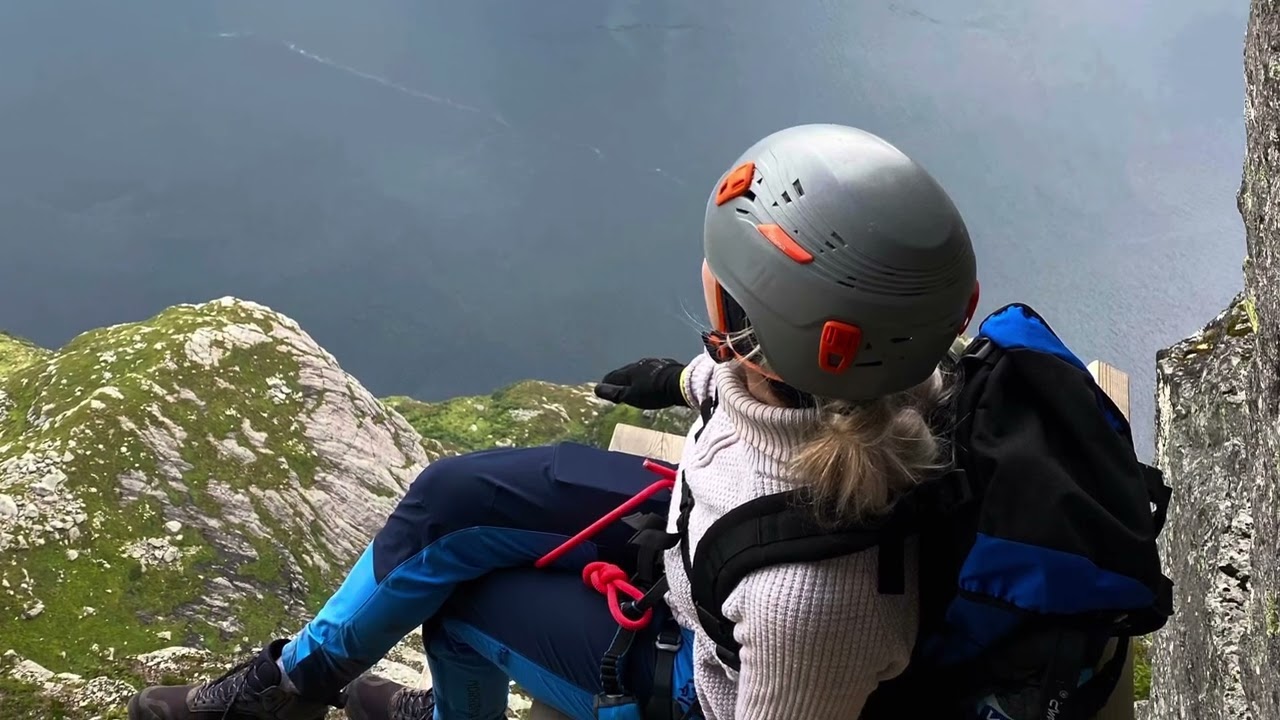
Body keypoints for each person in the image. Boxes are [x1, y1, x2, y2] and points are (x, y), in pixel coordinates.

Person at [125, 123, 978, 720]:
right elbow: (753, 394)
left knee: (461, 608)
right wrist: (678, 382)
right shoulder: (873, 381)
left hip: (706, 662)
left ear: (770, 336)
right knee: (452, 495)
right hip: (715, 539)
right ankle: (293, 683)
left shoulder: (814, 600)